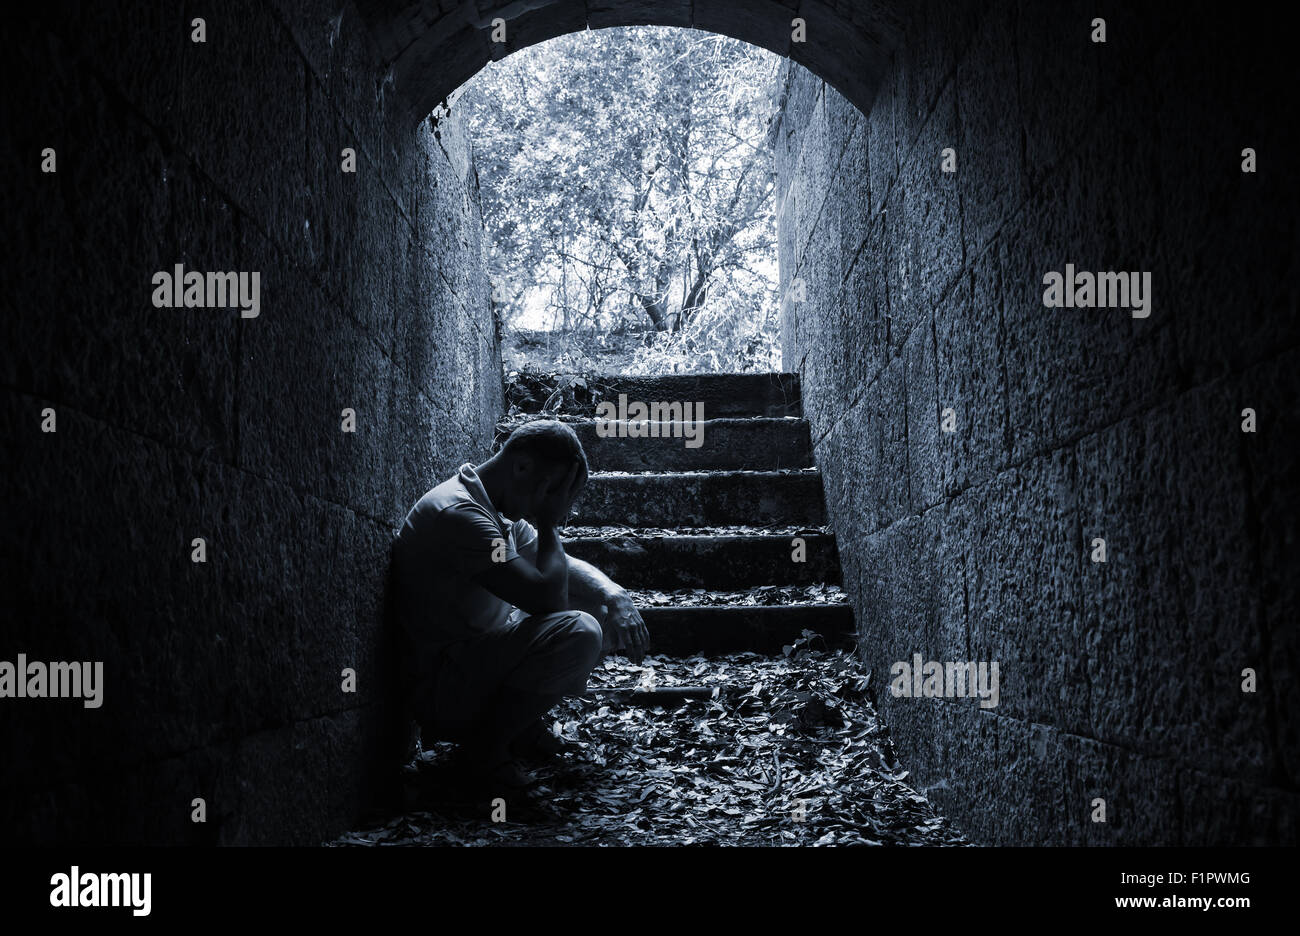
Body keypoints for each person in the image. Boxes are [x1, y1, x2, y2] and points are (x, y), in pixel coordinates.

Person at [391, 419, 650, 791]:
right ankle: (486, 748)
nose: (552, 502)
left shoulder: (495, 506)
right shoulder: (460, 513)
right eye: (551, 490)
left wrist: (615, 594)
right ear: (522, 466)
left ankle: (520, 727)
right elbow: (547, 598)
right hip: (441, 689)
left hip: (472, 664)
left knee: (598, 606)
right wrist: (549, 522)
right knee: (579, 629)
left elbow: (564, 569)